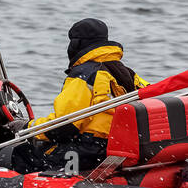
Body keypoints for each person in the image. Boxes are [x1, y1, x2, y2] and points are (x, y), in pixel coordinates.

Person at [30, 17, 146, 168]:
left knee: (20, 154)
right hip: (118, 147)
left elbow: (65, 126)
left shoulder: (84, 75)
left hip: (89, 151)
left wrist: (29, 127)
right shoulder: (129, 74)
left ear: (76, 44)